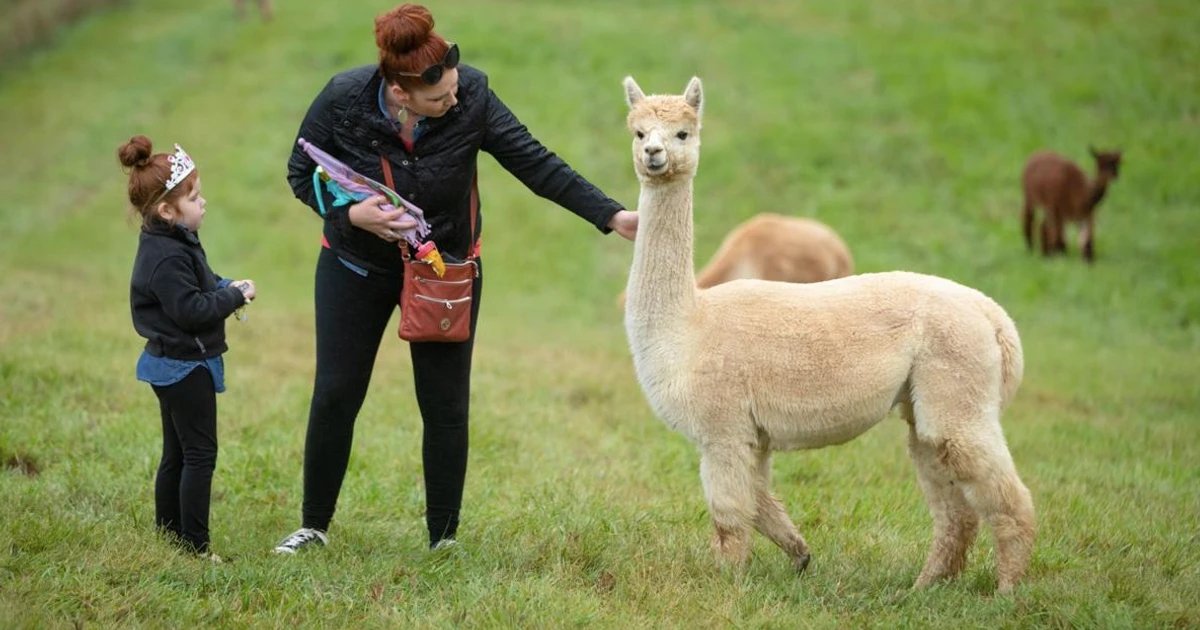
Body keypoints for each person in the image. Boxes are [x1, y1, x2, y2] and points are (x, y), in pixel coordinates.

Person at [274, 3, 637, 553]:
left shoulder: (473, 94)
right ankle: (313, 527)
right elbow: (301, 173)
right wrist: (351, 215)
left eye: (454, 88)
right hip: (355, 264)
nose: (455, 99)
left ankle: (443, 538)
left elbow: (535, 162)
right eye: (440, 97)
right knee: (335, 395)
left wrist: (612, 215)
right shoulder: (342, 98)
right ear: (400, 93)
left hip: (445, 273)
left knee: (445, 406)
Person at [121, 135, 257, 561]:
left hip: (175, 363)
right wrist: (235, 299)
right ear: (167, 210)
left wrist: (226, 285)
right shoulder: (165, 257)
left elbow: (203, 282)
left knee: (177, 454)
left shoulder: (174, 242)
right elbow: (192, 310)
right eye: (194, 197)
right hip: (183, 367)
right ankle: (196, 548)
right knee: (199, 455)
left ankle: (170, 537)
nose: (203, 203)